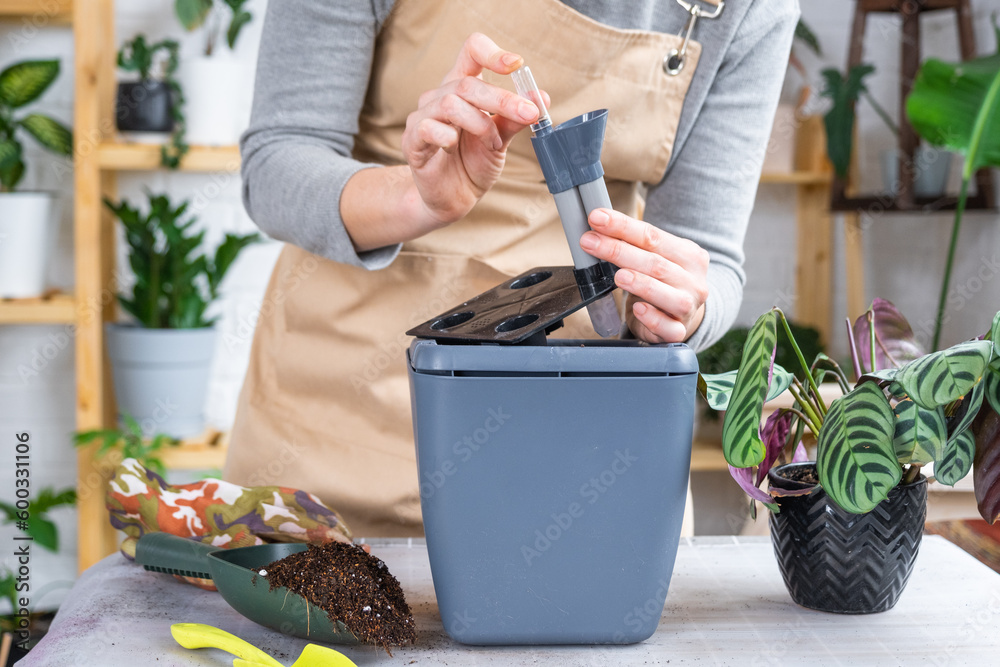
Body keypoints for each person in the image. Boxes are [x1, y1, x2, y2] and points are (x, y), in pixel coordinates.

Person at [224, 0, 799, 537]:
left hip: (579, 458)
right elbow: (277, 161)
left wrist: (675, 306)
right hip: (338, 437)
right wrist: (414, 199)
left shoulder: (748, 8)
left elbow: (708, 258)